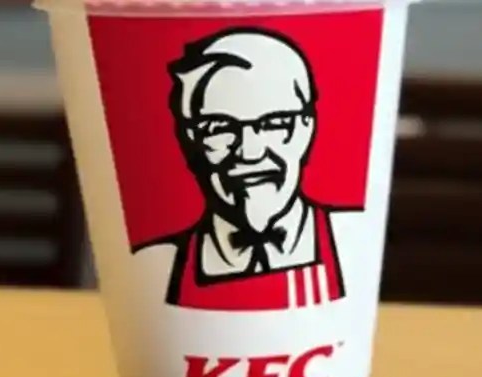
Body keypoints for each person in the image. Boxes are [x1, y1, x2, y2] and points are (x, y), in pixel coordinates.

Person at [137, 28, 354, 311]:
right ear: (190, 140)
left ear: (307, 129)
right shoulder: (157, 265)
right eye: (219, 128)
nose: (250, 152)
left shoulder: (351, 238)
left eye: (275, 123)